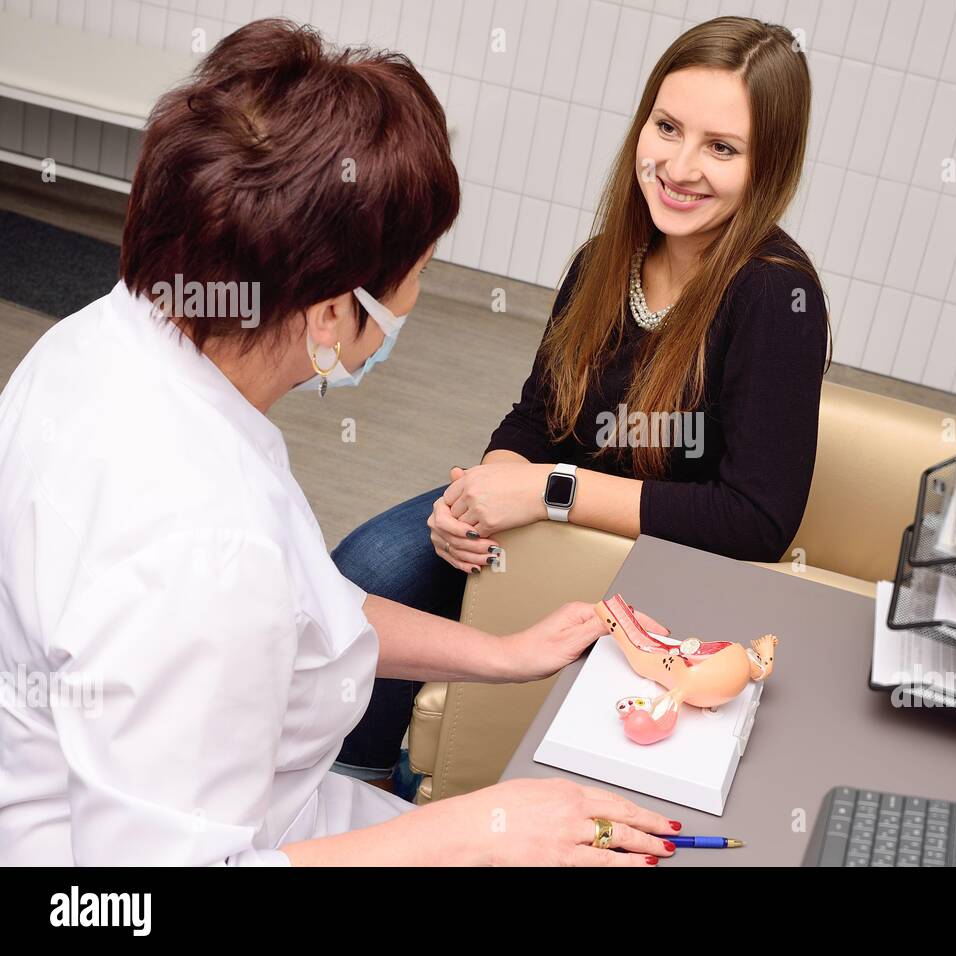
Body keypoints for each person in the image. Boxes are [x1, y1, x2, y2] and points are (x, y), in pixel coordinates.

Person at [0, 19, 677, 867]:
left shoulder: (108, 338)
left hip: (248, 809)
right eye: (420, 270)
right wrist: (476, 830)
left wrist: (506, 655)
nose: (420, 292)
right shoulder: (202, 543)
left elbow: (299, 610)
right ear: (329, 315)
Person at [332, 16, 831, 795]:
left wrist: (547, 490)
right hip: (551, 519)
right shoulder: (605, 260)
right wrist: (483, 489)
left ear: (768, 166)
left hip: (653, 557)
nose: (679, 166)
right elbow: (539, 415)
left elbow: (757, 521)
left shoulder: (777, 295)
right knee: (362, 573)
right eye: (667, 128)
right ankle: (351, 790)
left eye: (721, 148)